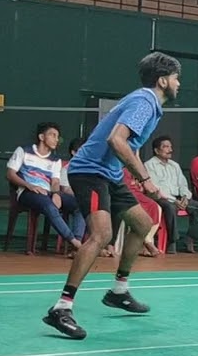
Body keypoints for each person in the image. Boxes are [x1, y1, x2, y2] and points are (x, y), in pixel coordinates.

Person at [42, 52, 181, 339]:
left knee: (142, 224)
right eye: (177, 79)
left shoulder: (148, 103)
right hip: (90, 172)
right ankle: (61, 307)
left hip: (112, 174)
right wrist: (145, 178)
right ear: (163, 80)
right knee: (101, 235)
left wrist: (133, 173)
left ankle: (119, 290)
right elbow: (115, 140)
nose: (179, 84)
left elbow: (128, 144)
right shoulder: (145, 101)